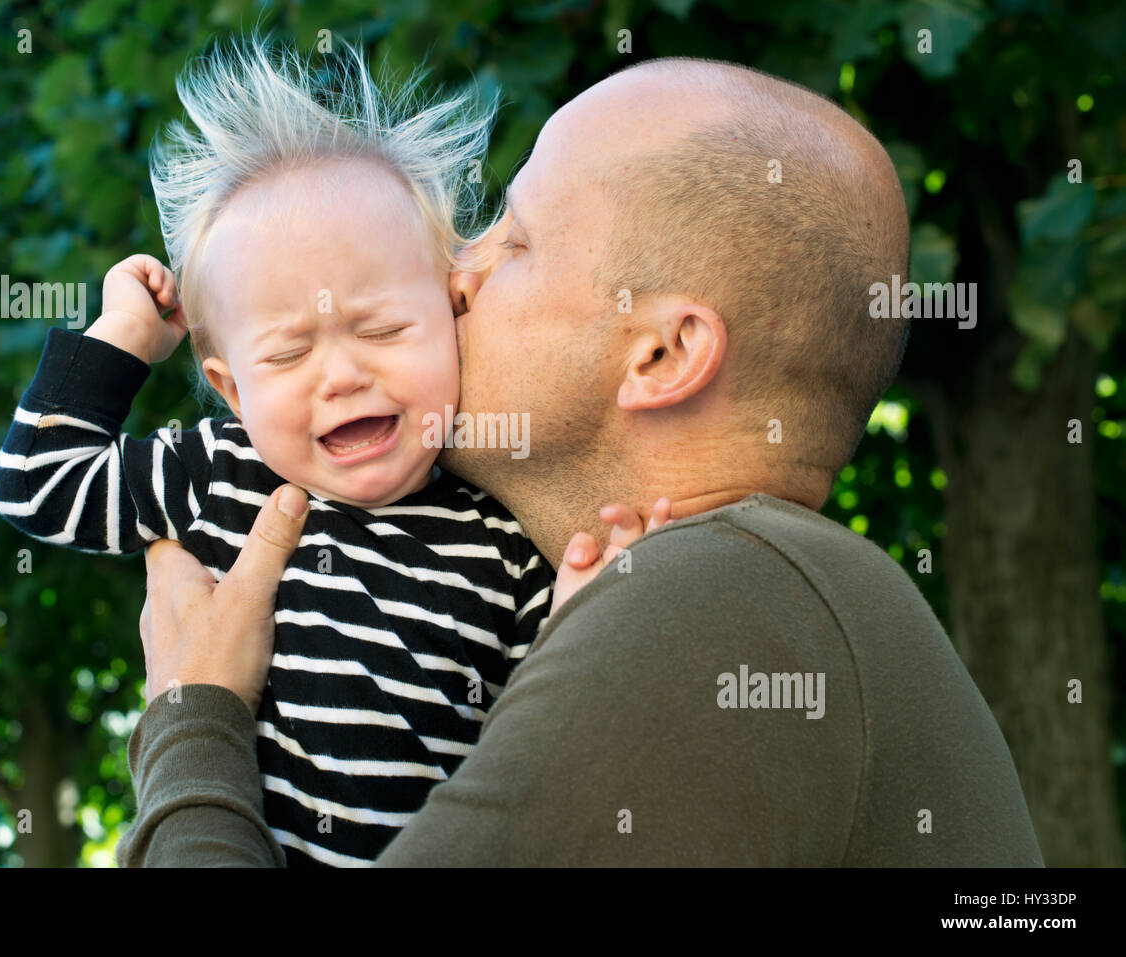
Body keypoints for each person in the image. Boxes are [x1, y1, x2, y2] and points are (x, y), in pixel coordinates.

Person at [115, 56, 1045, 866]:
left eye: (512, 240)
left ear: (663, 356)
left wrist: (194, 719)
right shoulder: (758, 596)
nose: (456, 275)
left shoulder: (716, 601)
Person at [0, 37, 659, 867]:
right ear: (232, 390)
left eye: (382, 329)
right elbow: (39, 485)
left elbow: (541, 754)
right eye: (285, 354)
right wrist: (120, 336)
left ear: (455, 314)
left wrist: (578, 620)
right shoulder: (218, 472)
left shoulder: (507, 537)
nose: (342, 374)